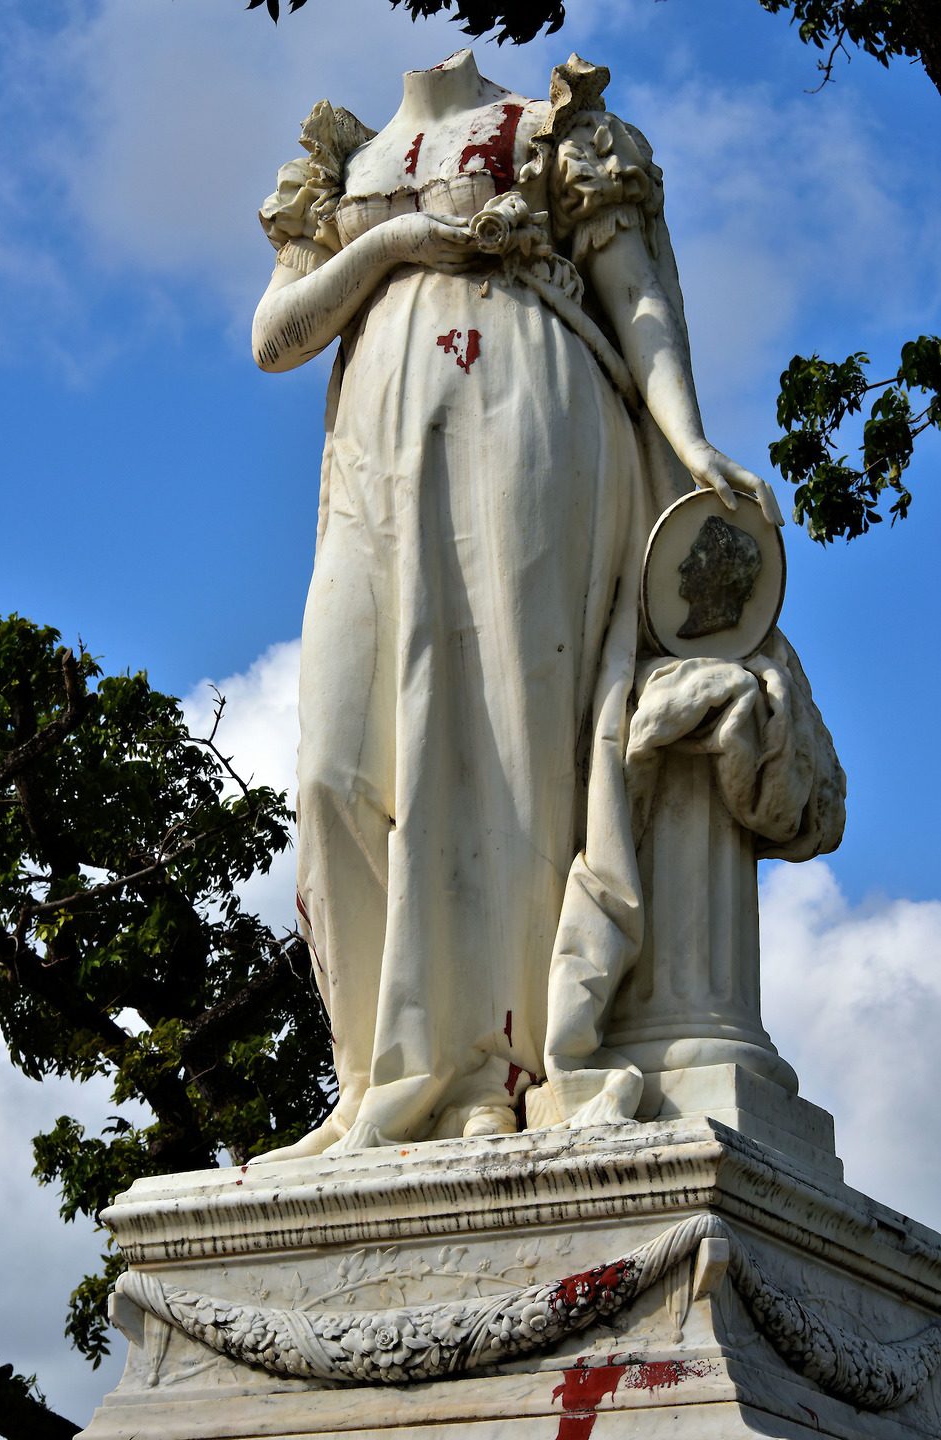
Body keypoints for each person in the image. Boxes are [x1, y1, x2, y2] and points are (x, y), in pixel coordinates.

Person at [251, 51, 783, 1157]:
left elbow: (635, 296)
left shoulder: (554, 128)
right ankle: (373, 1084)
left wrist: (688, 442)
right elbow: (277, 339)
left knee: (500, 752)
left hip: (533, 424)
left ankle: (494, 1073)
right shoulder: (337, 162)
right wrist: (399, 242)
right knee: (335, 770)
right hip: (374, 457)